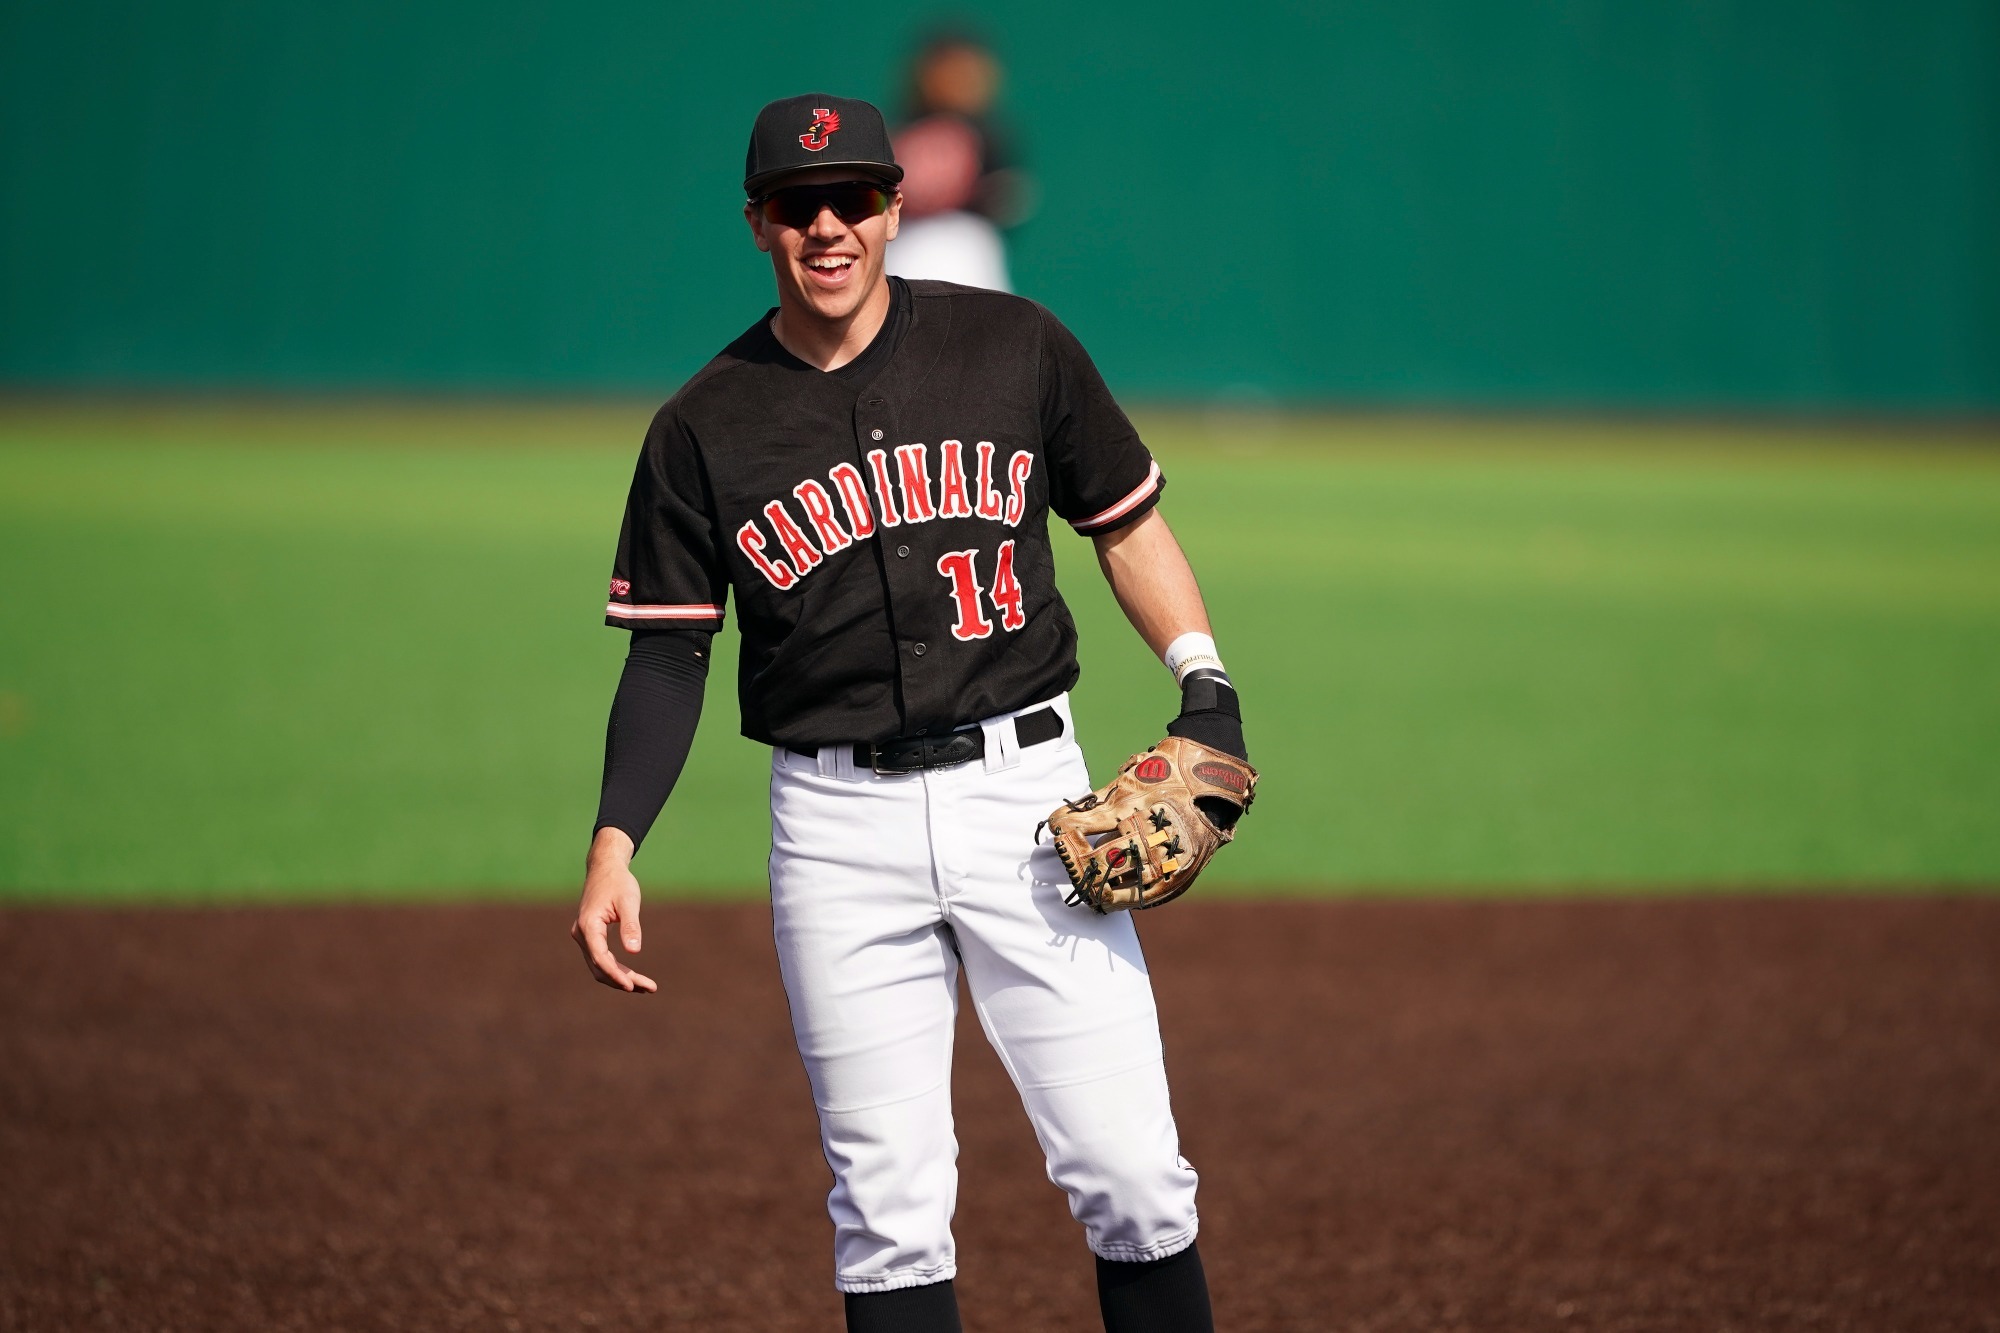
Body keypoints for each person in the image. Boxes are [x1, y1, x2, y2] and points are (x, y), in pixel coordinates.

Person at [570, 93, 1247, 1333]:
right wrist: (616, 843)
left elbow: (1122, 521)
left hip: (1026, 802)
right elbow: (668, 657)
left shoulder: (1014, 345)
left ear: (893, 209)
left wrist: (1203, 682)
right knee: (887, 1214)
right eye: (797, 205)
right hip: (836, 832)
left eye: (852, 199)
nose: (826, 227)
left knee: (1133, 1176)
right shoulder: (702, 426)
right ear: (758, 224)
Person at [885, 32, 1031, 291]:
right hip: (907, 243)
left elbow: (1012, 200)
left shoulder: (989, 137)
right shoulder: (899, 132)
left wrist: (971, 194)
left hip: (966, 247)